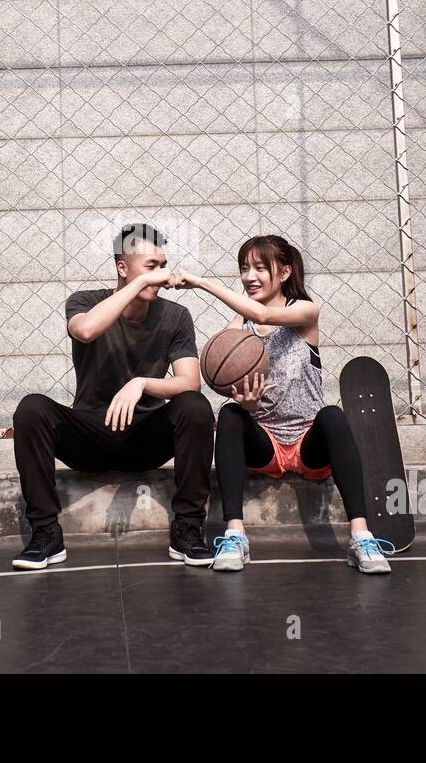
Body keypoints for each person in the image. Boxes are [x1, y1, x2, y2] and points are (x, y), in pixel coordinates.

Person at [168, 234, 394, 574]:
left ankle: (361, 538)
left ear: (285, 272)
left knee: (332, 415)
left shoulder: (305, 311)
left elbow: (261, 314)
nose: (249, 277)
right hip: (267, 445)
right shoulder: (238, 327)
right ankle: (234, 535)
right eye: (244, 268)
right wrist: (243, 403)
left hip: (308, 444)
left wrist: (200, 282)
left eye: (260, 268)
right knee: (229, 415)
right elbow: (222, 369)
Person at [10, 223, 215, 570]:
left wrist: (142, 383)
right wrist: (138, 285)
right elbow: (86, 330)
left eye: (163, 265)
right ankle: (46, 533)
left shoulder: (175, 316)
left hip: (145, 437)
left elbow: (189, 382)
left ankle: (188, 529)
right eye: (151, 266)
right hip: (91, 434)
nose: (160, 274)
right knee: (31, 409)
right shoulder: (85, 301)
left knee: (195, 407)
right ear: (123, 268)